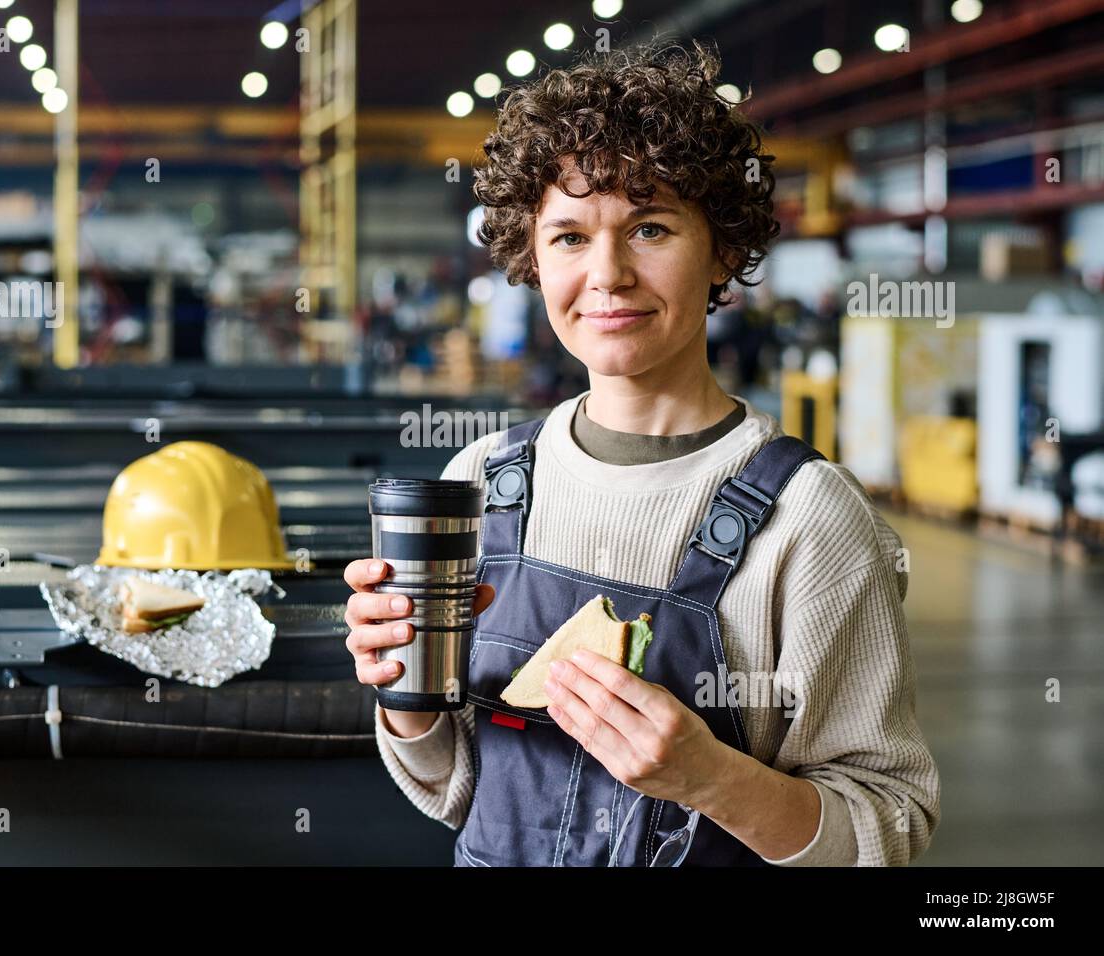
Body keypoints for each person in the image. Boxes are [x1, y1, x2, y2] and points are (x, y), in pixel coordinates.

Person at [344, 42, 939, 866]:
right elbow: (458, 789)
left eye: (650, 227)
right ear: (531, 257)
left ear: (723, 248)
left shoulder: (810, 519)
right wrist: (404, 692)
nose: (608, 274)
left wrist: (710, 779)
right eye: (569, 237)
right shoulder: (478, 482)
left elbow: (890, 826)